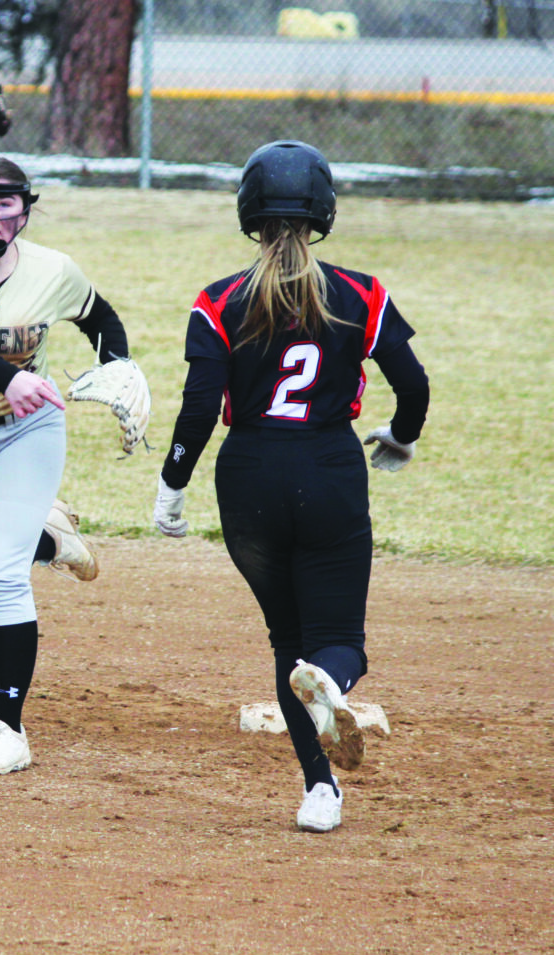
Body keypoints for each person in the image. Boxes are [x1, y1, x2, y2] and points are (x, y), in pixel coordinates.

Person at [152, 140, 430, 833]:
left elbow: (198, 406)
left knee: (286, 639)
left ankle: (320, 790)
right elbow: (415, 386)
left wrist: (172, 485)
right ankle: (332, 683)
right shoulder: (360, 291)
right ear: (323, 210)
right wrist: (401, 433)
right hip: (328, 469)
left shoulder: (219, 300)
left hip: (246, 478)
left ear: (248, 210)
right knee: (340, 643)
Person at [0, 156, 137, 775]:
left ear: (25, 211)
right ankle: (47, 535)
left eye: (3, 205)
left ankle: (6, 729)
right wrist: (10, 378)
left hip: (28, 430)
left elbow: (102, 320)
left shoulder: (53, 270)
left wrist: (118, 366)